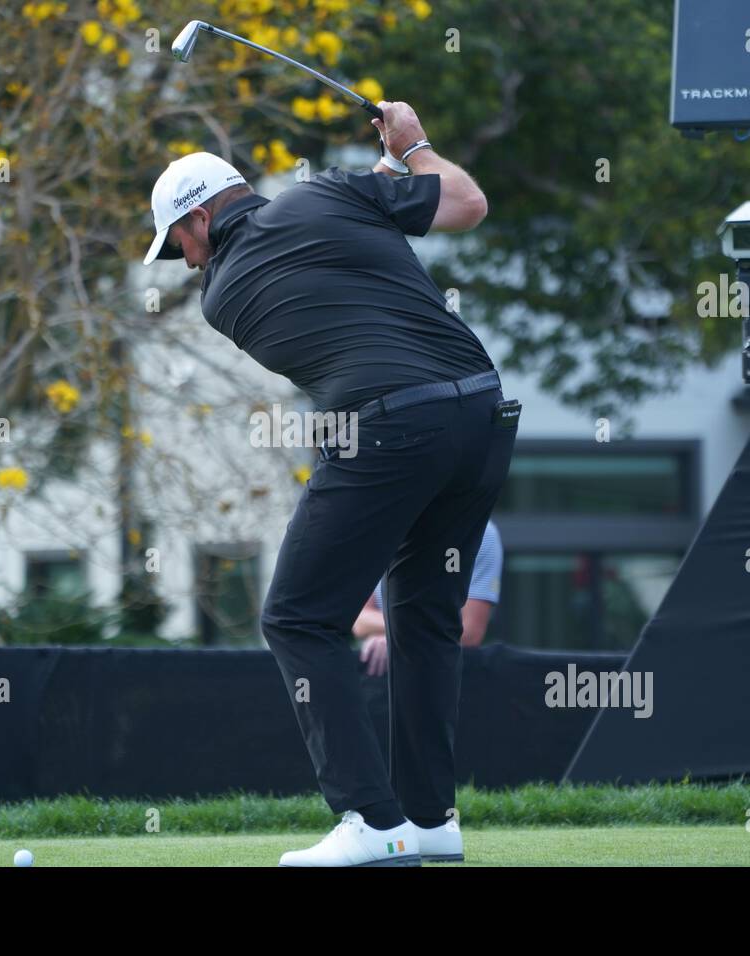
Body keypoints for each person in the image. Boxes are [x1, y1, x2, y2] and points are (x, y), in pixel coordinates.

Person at [144, 101, 519, 865]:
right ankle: (429, 818)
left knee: (297, 618)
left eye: (179, 239)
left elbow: (343, 231)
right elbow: (465, 204)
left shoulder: (223, 292)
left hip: (388, 428)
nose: (184, 260)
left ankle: (372, 822)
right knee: (423, 620)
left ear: (204, 216)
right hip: (482, 412)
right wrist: (415, 144)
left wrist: (396, 158)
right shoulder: (330, 193)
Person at [354, 519, 502, 676]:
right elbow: (360, 621)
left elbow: (470, 633)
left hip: (443, 672)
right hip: (379, 674)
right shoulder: (380, 525)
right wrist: (407, 632)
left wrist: (397, 636)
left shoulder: (480, 531)